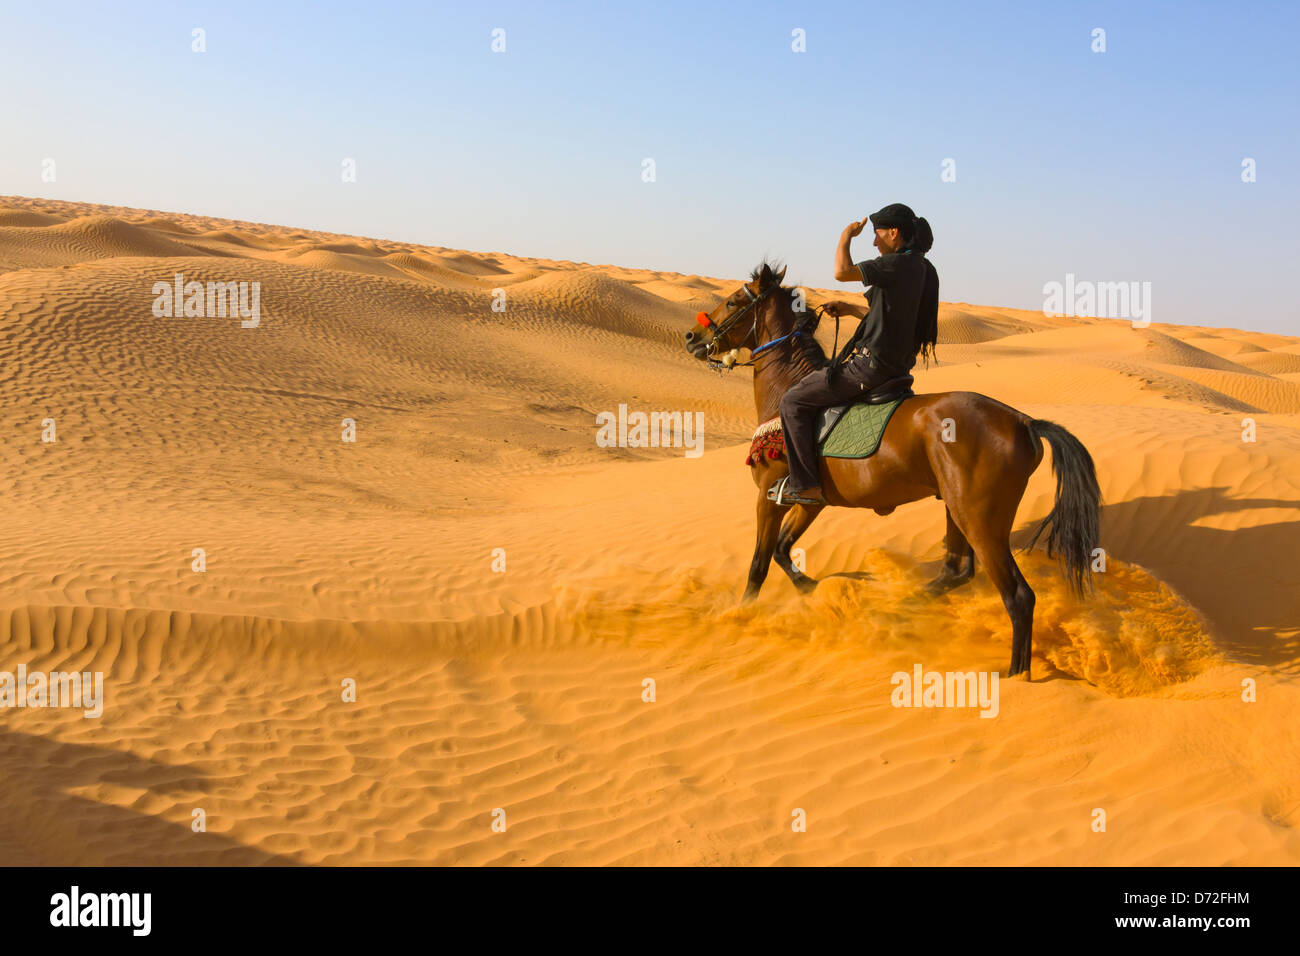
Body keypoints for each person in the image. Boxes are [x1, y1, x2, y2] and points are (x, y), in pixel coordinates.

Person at [775, 203, 939, 506]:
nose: (875, 243)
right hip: (897, 369)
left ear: (894, 233)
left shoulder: (895, 264)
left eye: (877, 236)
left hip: (869, 368)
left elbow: (841, 272)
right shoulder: (924, 269)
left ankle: (806, 485)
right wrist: (851, 309)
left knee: (792, 401)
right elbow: (890, 315)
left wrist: (845, 237)